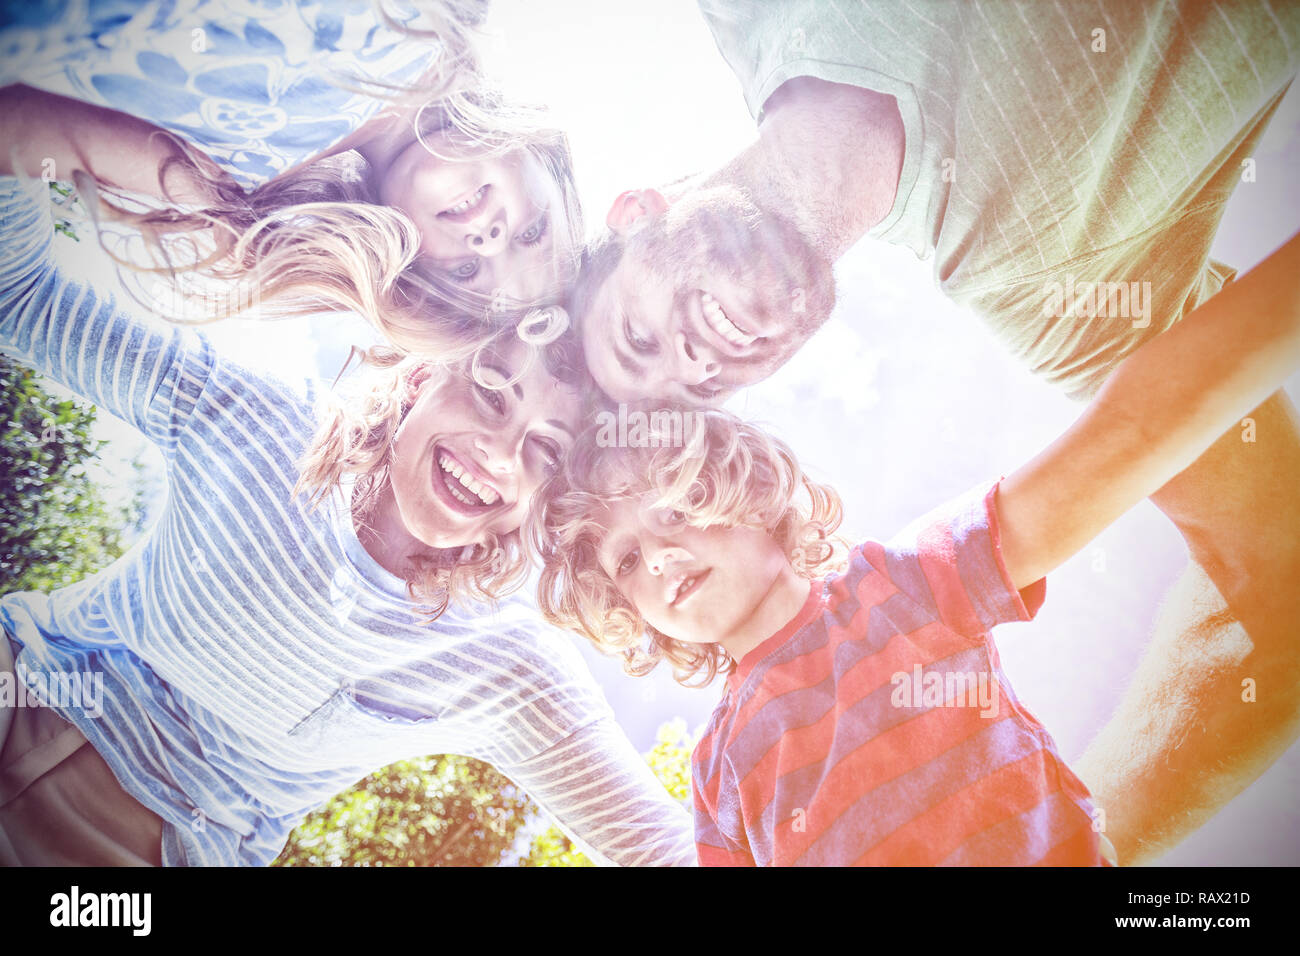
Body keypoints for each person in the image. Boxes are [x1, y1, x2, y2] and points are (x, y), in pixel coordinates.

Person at [567, 0, 1300, 864]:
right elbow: (1266, 576)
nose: (693, 358)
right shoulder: (1071, 302)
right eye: (699, 390)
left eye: (638, 338)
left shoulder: (757, 16)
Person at [0, 171, 694, 866]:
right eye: (489, 397)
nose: (498, 455)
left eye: (544, 451)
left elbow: (660, 850)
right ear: (424, 376)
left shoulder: (508, 671)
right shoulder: (252, 421)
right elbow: (21, 297)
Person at [0, 0, 582, 359]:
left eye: (465, 272)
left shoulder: (230, 179)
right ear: (544, 157)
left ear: (407, 268)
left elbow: (21, 128)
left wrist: (213, 206)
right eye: (533, 233)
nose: (489, 241)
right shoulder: (446, 13)